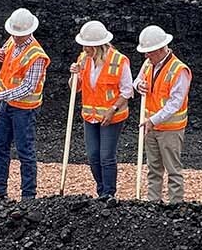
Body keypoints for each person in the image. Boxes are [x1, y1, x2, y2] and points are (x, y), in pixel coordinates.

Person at [0, 7, 48, 199]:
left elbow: (28, 87)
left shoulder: (37, 55)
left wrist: (0, 95)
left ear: (29, 31)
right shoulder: (13, 41)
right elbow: (5, 57)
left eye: (19, 34)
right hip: (8, 104)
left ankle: (28, 196)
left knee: (25, 151)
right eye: (13, 33)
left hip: (25, 110)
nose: (15, 37)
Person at [70, 20, 133, 200]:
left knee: (106, 156)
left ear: (98, 45)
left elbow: (127, 90)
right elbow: (76, 88)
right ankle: (100, 189)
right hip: (90, 116)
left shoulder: (119, 60)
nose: (84, 49)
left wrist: (113, 109)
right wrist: (74, 74)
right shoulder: (83, 59)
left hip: (112, 116)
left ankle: (109, 193)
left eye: (87, 46)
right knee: (93, 155)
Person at [136, 25, 190, 204]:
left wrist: (153, 120)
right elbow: (137, 81)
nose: (145, 56)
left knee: (173, 169)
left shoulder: (179, 70)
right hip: (151, 126)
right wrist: (139, 86)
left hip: (170, 129)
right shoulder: (148, 64)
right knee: (154, 168)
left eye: (149, 52)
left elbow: (175, 103)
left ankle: (175, 205)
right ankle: (153, 203)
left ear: (160, 49)